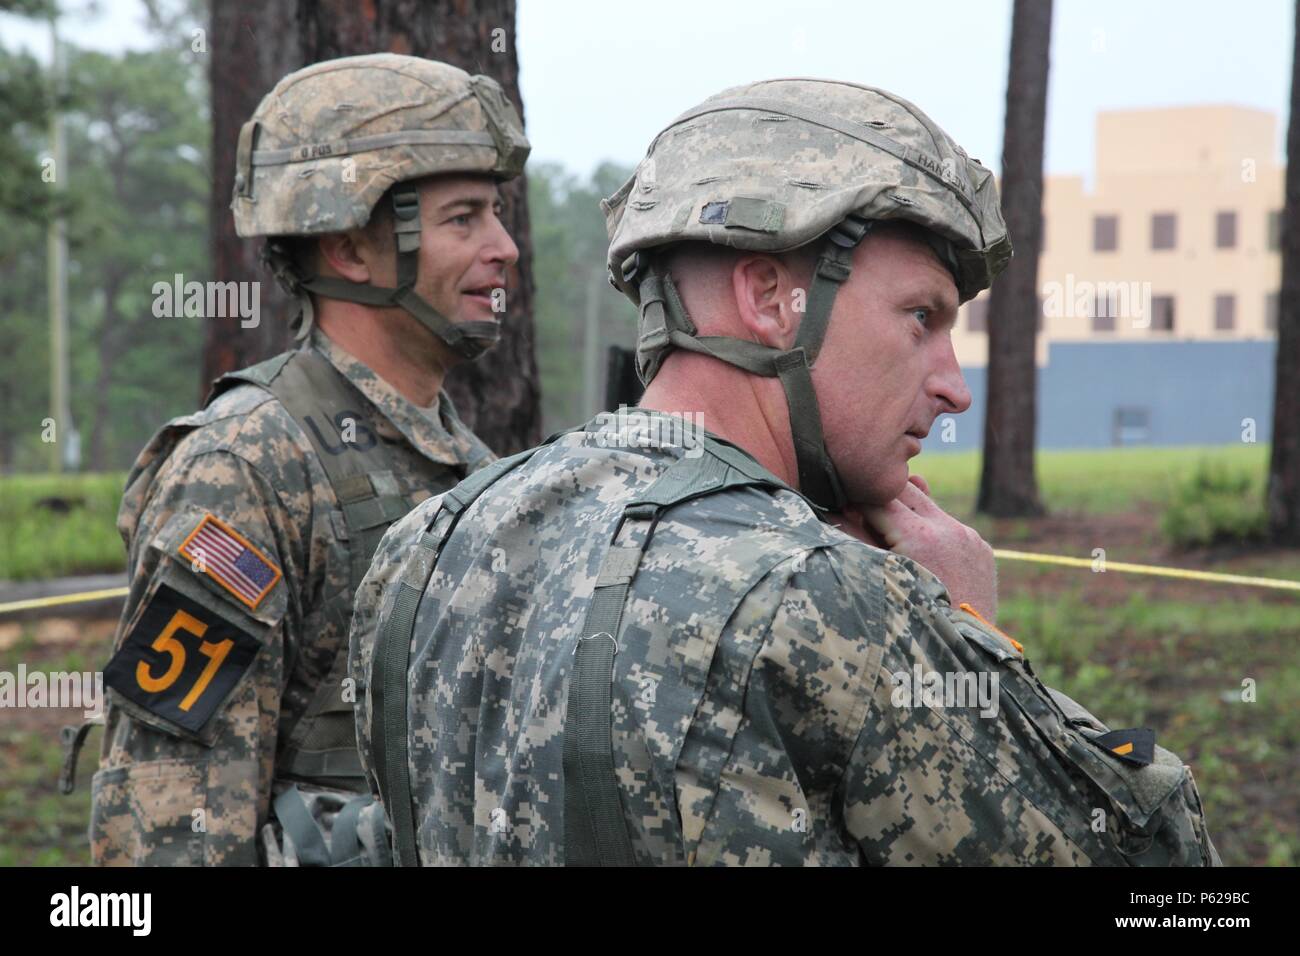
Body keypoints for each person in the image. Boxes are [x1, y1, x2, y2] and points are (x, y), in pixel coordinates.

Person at [349, 78, 1220, 866]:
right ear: (772, 302)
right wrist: (974, 645)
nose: (953, 387)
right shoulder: (838, 602)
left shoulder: (427, 545)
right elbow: (1162, 872)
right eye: (922, 317)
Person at [78, 53, 529, 866]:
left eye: (496, 214)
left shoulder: (470, 465)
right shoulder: (245, 464)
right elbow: (172, 821)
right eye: (464, 219)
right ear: (352, 249)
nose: (505, 249)